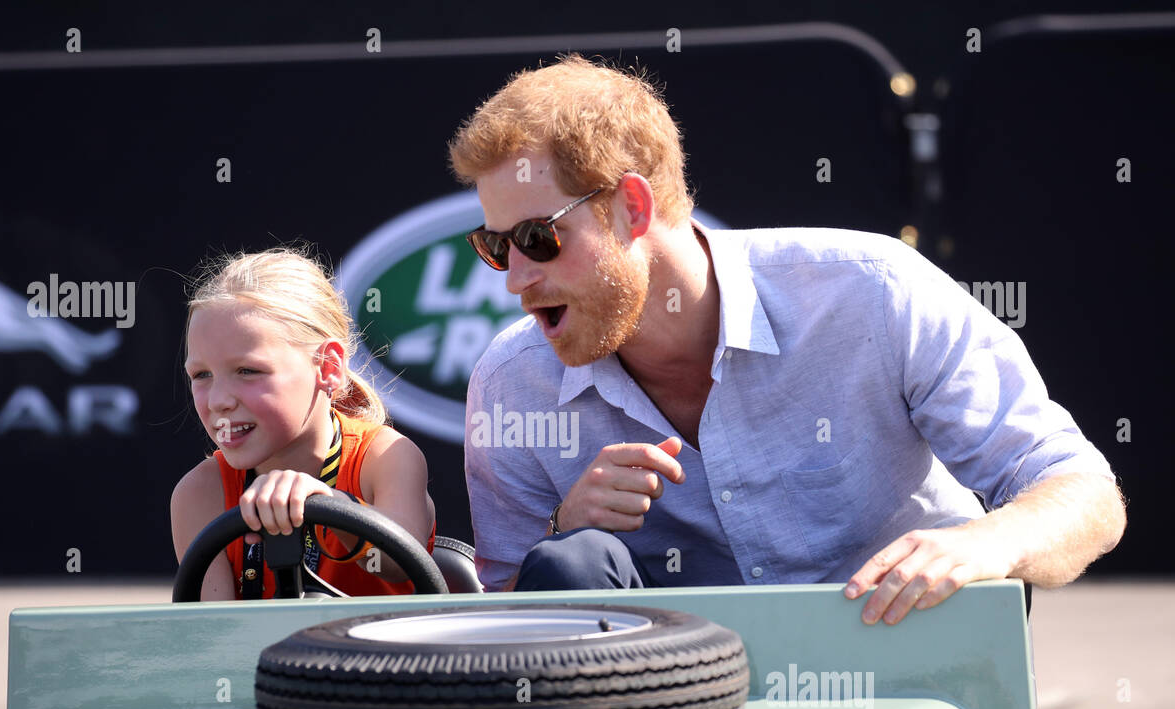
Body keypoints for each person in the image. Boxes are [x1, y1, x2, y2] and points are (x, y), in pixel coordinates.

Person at [451, 54, 1125, 625]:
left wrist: (985, 545)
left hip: (908, 673)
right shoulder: (513, 379)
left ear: (633, 207)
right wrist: (563, 529)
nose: (514, 280)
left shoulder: (871, 290)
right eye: (494, 245)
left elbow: (1083, 493)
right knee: (570, 565)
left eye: (538, 238)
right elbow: (508, 627)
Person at [170, 248, 436, 600]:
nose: (219, 399)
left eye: (248, 371)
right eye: (201, 375)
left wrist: (330, 504)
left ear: (328, 367)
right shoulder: (200, 493)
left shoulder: (387, 457)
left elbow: (398, 561)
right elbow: (220, 639)